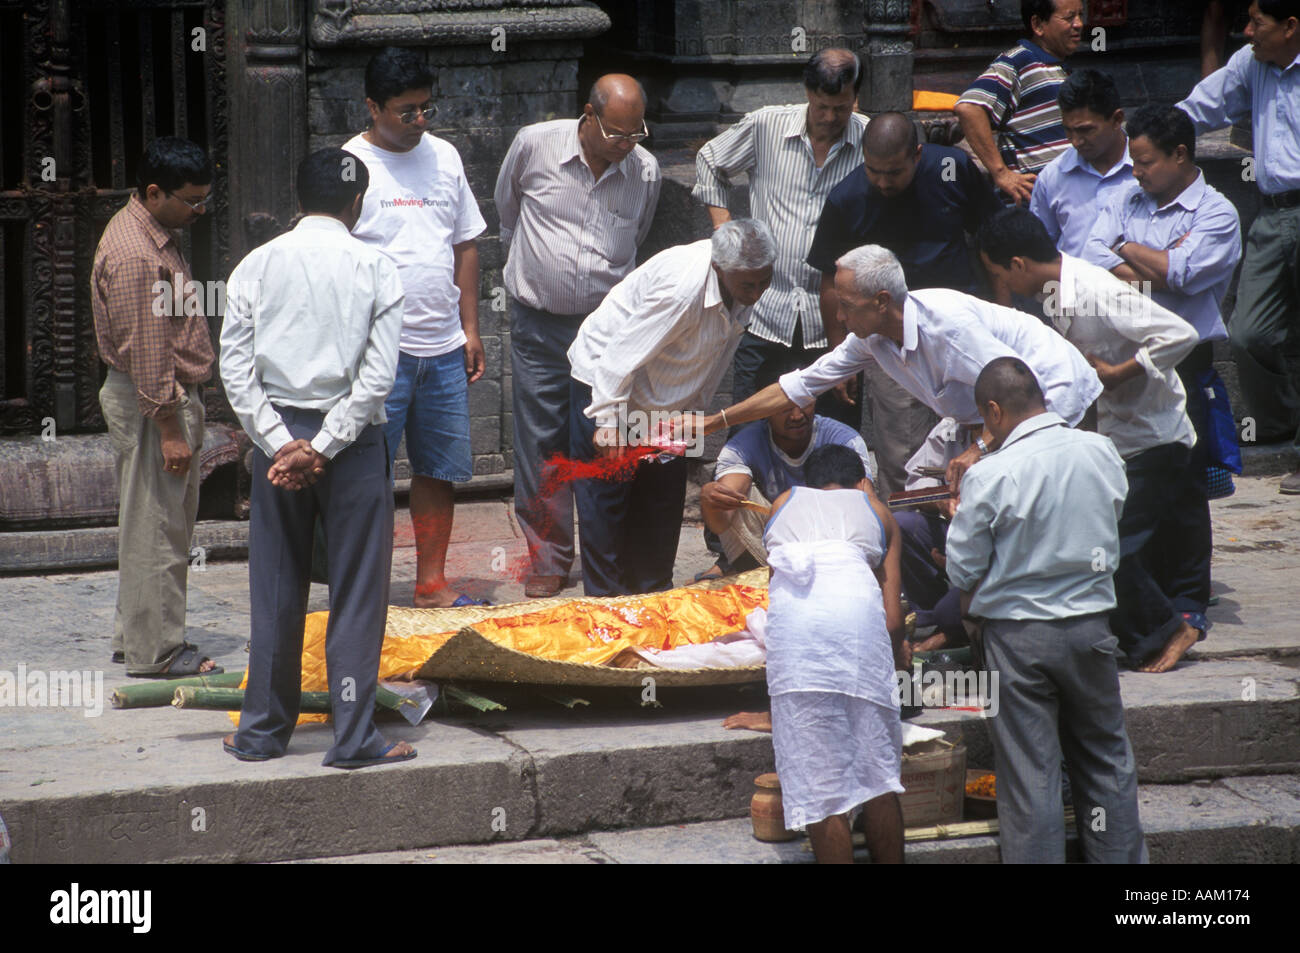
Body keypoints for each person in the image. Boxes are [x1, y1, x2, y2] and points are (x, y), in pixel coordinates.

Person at [218, 148, 414, 769]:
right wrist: (325, 447)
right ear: (356, 205)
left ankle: (261, 733)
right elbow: (378, 378)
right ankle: (353, 737)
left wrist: (281, 445)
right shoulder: (378, 266)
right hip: (351, 445)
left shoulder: (256, 264)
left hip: (277, 439)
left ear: (297, 201)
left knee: (276, 586)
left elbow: (235, 369)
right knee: (357, 591)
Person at [981, 206, 1204, 673]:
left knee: (1105, 545)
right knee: (1115, 541)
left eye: (1000, 273)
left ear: (1018, 264)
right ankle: (1147, 629)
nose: (1003, 285)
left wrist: (1120, 373)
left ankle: (1169, 629)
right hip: (1118, 439)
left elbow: (1181, 334)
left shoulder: (1095, 288)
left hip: (1153, 435)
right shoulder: (1052, 296)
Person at [692, 245, 1103, 497]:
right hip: (988, 416)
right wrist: (715, 421)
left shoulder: (949, 329)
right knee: (919, 492)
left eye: (847, 305)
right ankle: (943, 611)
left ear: (881, 301)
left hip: (1048, 396)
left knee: (1028, 502)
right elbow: (797, 387)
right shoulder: (869, 337)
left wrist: (980, 448)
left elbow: (1020, 393)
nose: (837, 316)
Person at [945, 357, 1147, 864]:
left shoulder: (991, 473)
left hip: (1019, 639)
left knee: (1030, 771)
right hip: (1091, 628)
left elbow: (963, 571)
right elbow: (1110, 516)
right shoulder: (1100, 450)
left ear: (994, 410)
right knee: (1106, 759)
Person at [1084, 104, 1242, 657]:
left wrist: (1124, 249)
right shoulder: (1121, 197)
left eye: (1146, 162)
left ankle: (1188, 603)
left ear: (1180, 155)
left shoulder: (1217, 213)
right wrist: (1152, 261)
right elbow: (1088, 259)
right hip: (1126, 364)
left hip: (1185, 359)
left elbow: (1187, 273)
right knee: (1132, 482)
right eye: (1134, 162)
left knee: (1184, 485)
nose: (1137, 172)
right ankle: (1142, 602)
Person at [494, 75, 661, 599]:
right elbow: (507, 213)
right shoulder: (534, 145)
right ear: (587, 115)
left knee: (601, 440)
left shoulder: (645, 171)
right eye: (616, 133)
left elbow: (638, 236)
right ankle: (547, 557)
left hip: (609, 330)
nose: (625, 146)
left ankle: (603, 559)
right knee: (540, 440)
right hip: (540, 324)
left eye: (636, 135)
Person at [343, 47, 488, 608]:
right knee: (365, 476)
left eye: (427, 107)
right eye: (407, 111)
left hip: (444, 347)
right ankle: (364, 592)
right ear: (372, 106)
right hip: (377, 352)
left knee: (438, 471)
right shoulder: (348, 166)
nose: (421, 120)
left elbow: (466, 244)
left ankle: (431, 582)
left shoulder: (445, 156)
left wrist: (470, 329)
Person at [567, 220, 775, 597]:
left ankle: (653, 596)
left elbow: (711, 359)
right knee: (608, 506)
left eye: (765, 282)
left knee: (661, 503)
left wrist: (693, 418)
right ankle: (606, 609)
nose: (758, 292)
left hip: (670, 401)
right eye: (749, 284)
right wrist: (608, 422)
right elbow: (618, 357)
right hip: (609, 389)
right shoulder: (683, 288)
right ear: (719, 268)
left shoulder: (742, 288)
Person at [807, 111, 997, 495]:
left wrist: (1003, 307)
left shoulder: (952, 169)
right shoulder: (847, 197)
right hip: (891, 342)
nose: (882, 181)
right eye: (873, 170)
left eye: (893, 172)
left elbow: (991, 240)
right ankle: (912, 542)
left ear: (917, 155)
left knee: (984, 443)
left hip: (959, 335)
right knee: (904, 455)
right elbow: (830, 280)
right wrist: (838, 354)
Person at [91, 137, 221, 678]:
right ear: (153, 192)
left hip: (158, 397)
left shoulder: (151, 231)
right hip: (155, 403)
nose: (200, 210)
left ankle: (137, 637)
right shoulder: (137, 253)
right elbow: (146, 348)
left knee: (149, 523)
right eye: (191, 201)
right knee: (158, 529)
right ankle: (158, 652)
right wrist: (170, 427)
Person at [692, 48, 866, 427]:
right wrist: (726, 234)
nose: (830, 117)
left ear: (856, 97)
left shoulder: (870, 141)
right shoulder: (766, 126)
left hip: (835, 325)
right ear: (807, 92)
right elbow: (709, 161)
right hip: (765, 313)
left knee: (832, 435)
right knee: (747, 430)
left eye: (841, 107)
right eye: (822, 106)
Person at [1177, 0, 1300, 494]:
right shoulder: (1253, 64)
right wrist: (1141, 141)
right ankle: (1282, 427)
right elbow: (1198, 107)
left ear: (1291, 26)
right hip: (1273, 213)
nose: (1246, 31)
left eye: (1257, 23)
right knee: (1248, 332)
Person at [763, 443, 907, 864]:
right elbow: (894, 621)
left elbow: (777, 590)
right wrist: (896, 659)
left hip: (800, 648)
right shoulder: (877, 510)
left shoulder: (784, 502)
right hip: (860, 637)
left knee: (822, 791)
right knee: (878, 777)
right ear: (862, 482)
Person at [701, 401, 873, 573]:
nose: (797, 416)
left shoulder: (845, 439)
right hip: (774, 546)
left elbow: (869, 511)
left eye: (804, 403)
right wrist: (711, 504)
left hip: (831, 543)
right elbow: (722, 522)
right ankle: (752, 579)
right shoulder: (740, 447)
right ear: (764, 410)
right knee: (731, 496)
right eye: (784, 408)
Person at [955, 0, 1081, 205]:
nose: (1078, 24)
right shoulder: (1019, 61)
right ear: (1038, 25)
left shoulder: (1059, 67)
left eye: (1080, 15)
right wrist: (1001, 173)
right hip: (1033, 203)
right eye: (1069, 17)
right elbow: (969, 108)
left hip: (1064, 201)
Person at [1029, 69, 1134, 258]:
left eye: (1085, 130)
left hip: (1143, 286)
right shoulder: (1052, 177)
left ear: (1117, 119)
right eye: (1068, 131)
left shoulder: (1151, 171)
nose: (1076, 141)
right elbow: (1040, 253)